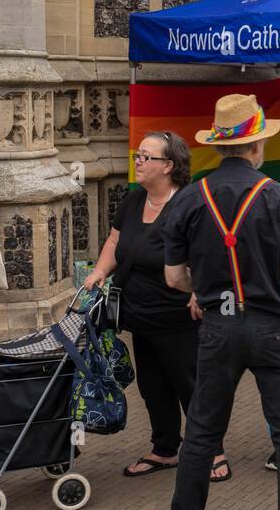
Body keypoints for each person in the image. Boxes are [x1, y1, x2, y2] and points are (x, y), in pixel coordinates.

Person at [161, 94, 280, 510]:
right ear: (257, 145)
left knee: (202, 432)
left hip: (219, 329)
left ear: (220, 145)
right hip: (273, 330)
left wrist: (205, 292)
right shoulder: (278, 198)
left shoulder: (189, 197)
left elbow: (174, 277)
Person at [83, 131, 229, 482]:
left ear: (168, 165)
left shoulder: (191, 203)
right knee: (153, 387)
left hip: (178, 316)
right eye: (138, 155)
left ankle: (213, 450)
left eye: (146, 157)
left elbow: (210, 252)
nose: (138, 161)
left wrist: (201, 290)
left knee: (190, 384)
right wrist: (100, 272)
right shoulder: (134, 199)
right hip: (139, 315)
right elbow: (115, 240)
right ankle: (165, 448)